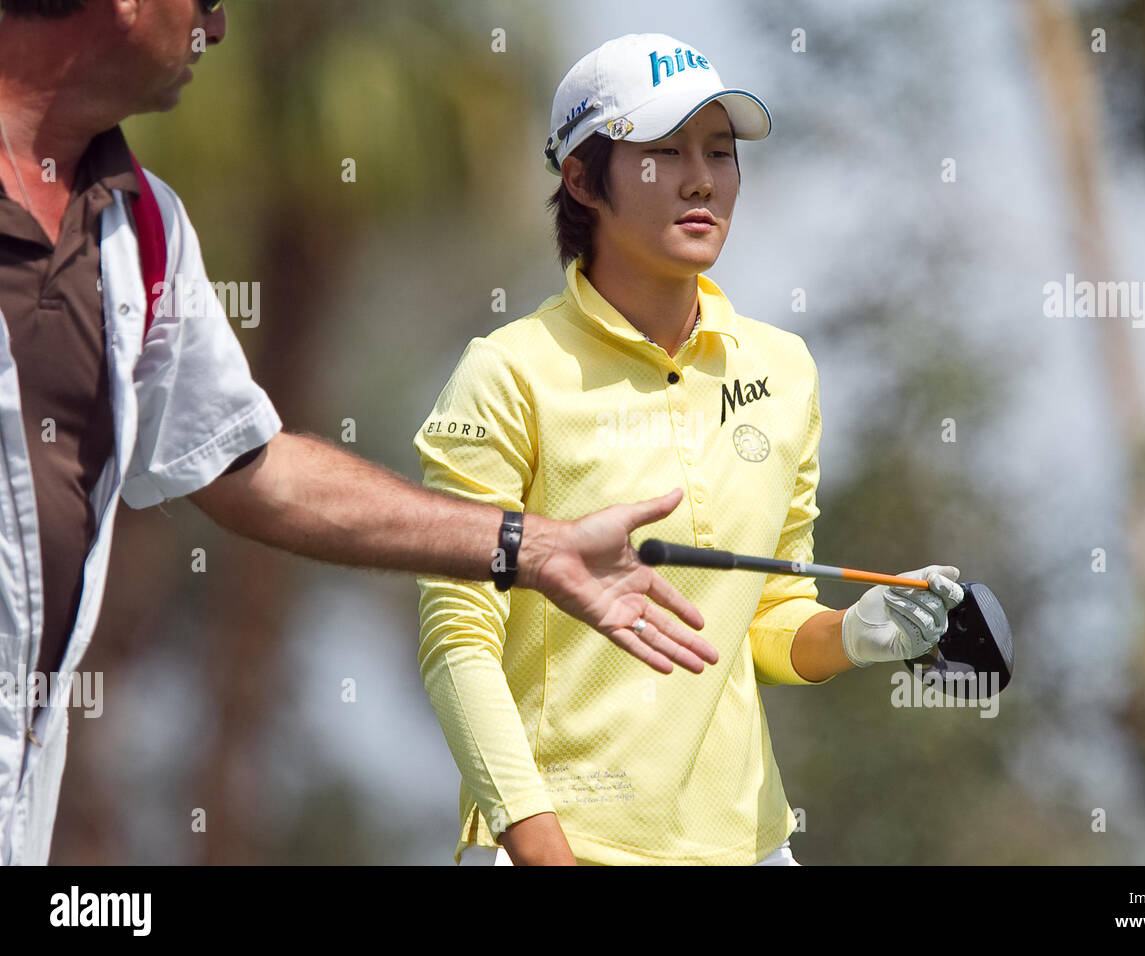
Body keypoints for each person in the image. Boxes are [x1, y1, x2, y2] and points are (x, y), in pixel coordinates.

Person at [0, 2, 716, 867]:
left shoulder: (141, 229)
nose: (218, 31)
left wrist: (534, 547)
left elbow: (251, 470)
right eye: (206, 5)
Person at [414, 32, 964, 866]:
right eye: (664, 152)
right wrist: (541, 850)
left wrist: (855, 634)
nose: (702, 177)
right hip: (562, 846)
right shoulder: (508, 375)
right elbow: (459, 642)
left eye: (719, 150)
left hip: (750, 845)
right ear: (582, 178)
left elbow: (768, 616)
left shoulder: (783, 370)